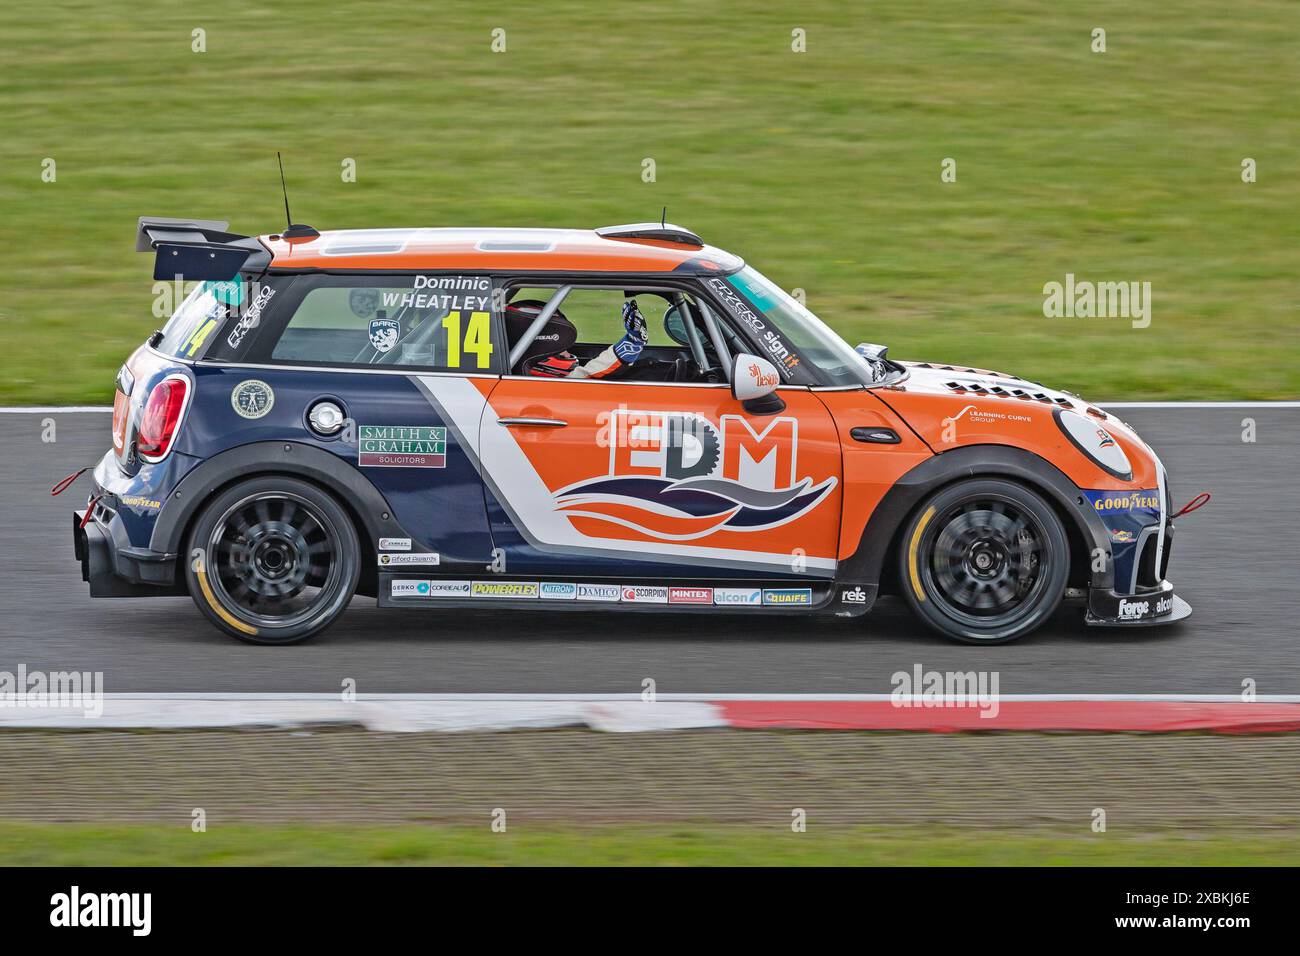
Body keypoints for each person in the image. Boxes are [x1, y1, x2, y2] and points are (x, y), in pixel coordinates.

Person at [505, 298, 648, 379]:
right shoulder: (544, 389)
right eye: (559, 350)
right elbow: (588, 373)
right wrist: (631, 343)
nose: (568, 354)